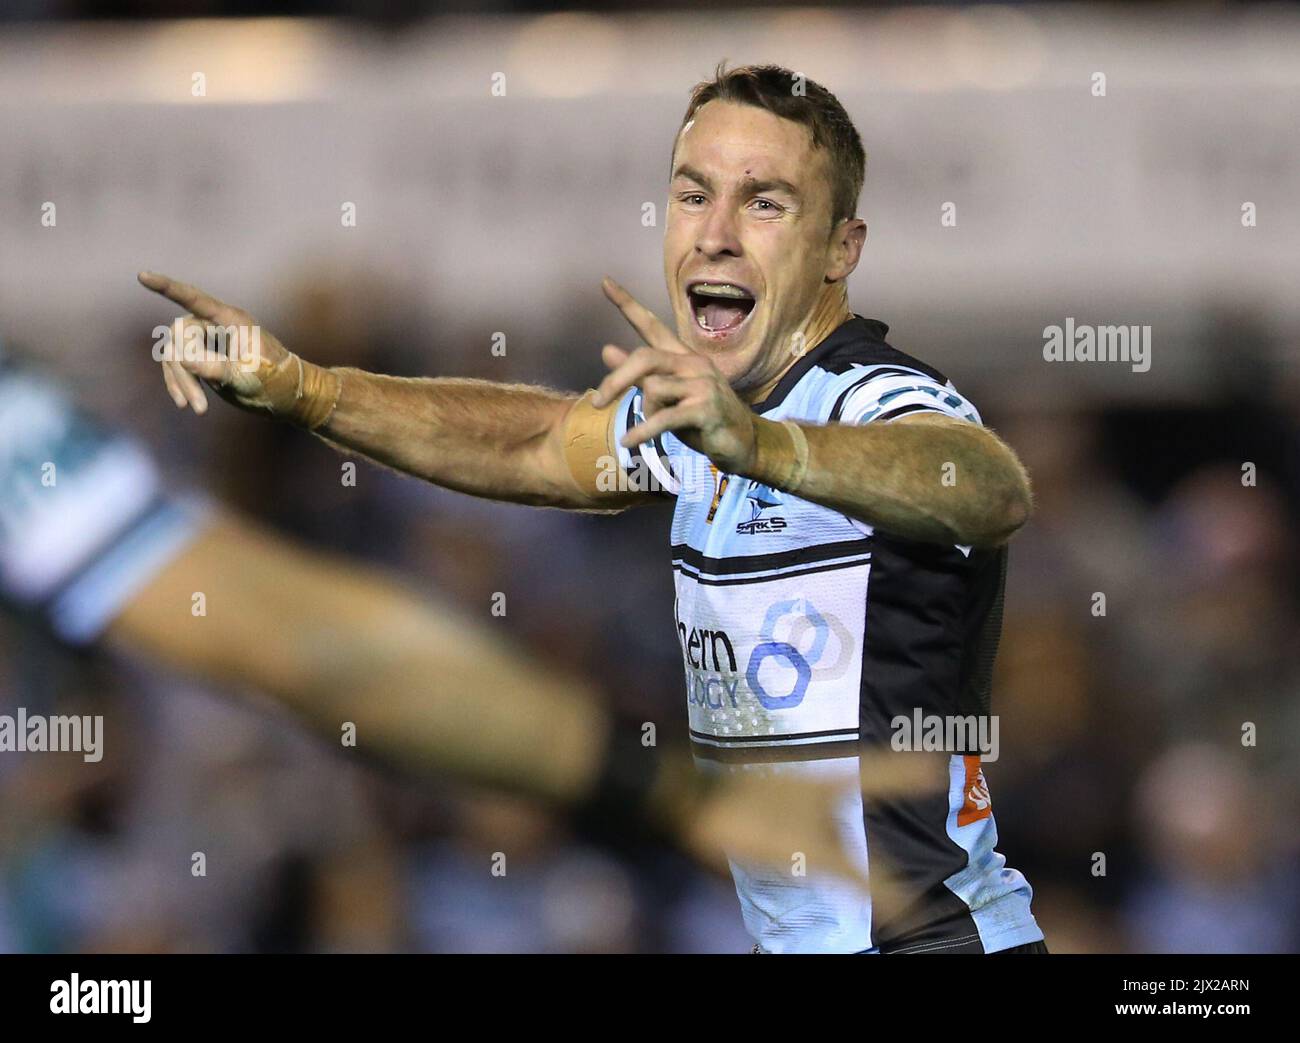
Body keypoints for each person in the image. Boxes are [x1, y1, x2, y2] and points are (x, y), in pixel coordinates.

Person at [138, 62, 1043, 954]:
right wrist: (309, 391)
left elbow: (987, 485)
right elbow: (529, 443)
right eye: (694, 195)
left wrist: (767, 447)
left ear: (842, 247)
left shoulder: (864, 397)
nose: (716, 233)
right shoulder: (701, 419)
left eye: (765, 202)